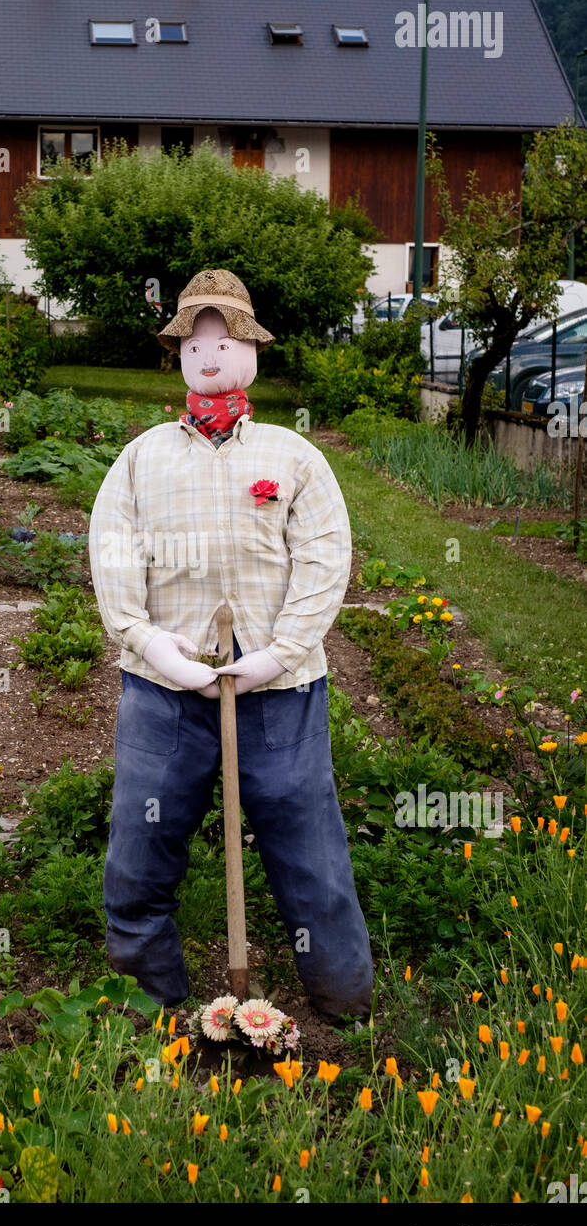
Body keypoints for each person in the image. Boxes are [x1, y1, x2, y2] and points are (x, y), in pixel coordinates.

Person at [88, 268, 374, 1022]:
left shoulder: (293, 458)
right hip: (163, 691)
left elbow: (323, 559)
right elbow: (112, 553)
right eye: (193, 341)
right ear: (179, 354)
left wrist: (278, 653)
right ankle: (149, 999)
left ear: (251, 349)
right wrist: (151, 643)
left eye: (224, 338)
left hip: (279, 690)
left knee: (306, 845)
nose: (207, 353)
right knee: (140, 848)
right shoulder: (143, 459)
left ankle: (342, 1000)